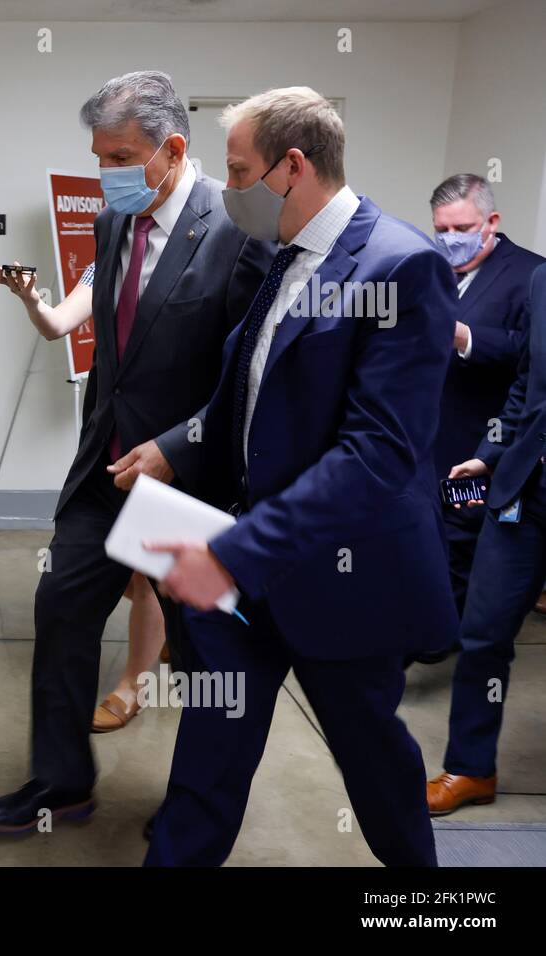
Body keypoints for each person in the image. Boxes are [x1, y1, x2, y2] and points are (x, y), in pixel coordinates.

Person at [144, 87, 458, 866]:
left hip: (343, 576)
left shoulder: (401, 264)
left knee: (375, 768)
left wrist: (231, 553)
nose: (228, 190)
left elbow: (378, 454)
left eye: (238, 170)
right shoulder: (278, 253)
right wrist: (175, 448)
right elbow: (246, 391)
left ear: (292, 166)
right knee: (206, 763)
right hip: (245, 573)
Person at [0, 71, 269, 833]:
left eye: (117, 158)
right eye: (96, 157)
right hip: (104, 469)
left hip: (187, 488)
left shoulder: (238, 229)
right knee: (61, 610)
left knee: (201, 657)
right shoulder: (112, 224)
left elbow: (251, 376)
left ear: (172, 151)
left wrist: (179, 446)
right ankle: (62, 782)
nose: (102, 173)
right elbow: (102, 338)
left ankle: (195, 809)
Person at [0, 261, 167, 732]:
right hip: (107, 442)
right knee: (114, 572)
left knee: (145, 567)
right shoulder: (107, 260)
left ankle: (134, 683)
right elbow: (57, 324)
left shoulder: (204, 247)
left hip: (164, 441)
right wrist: (32, 299)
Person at [428, 263, 546, 816]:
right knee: (483, 633)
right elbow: (528, 385)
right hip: (525, 490)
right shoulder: (543, 282)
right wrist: (491, 454)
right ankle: (470, 769)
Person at [424, 174, 545, 637]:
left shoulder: (530, 274)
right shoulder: (429, 264)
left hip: (485, 438)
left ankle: (440, 638)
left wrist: (465, 337)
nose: (450, 240)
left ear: (491, 221)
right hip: (427, 434)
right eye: (442, 229)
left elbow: (531, 358)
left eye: (461, 228)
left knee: (461, 536)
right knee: (428, 535)